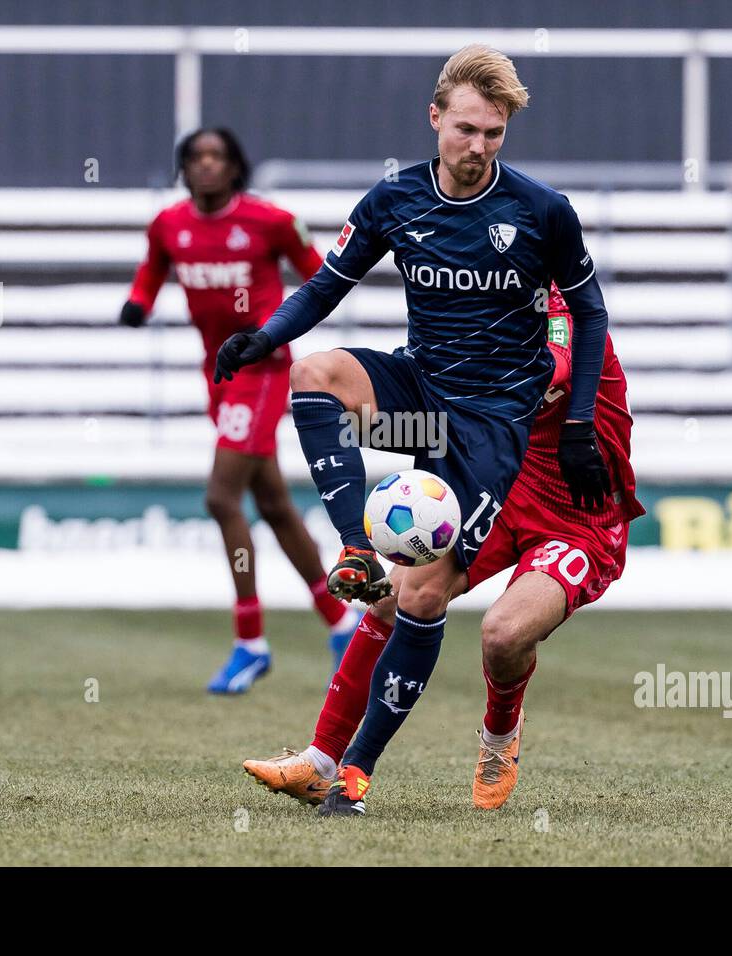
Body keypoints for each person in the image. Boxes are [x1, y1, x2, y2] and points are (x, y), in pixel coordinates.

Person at [216, 45, 614, 812]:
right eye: (467, 129)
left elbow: (589, 312)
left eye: (494, 133)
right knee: (314, 374)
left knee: (422, 596)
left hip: (490, 427)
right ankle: (356, 547)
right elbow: (327, 285)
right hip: (421, 396)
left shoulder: (541, 210)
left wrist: (580, 423)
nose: (479, 147)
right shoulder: (397, 199)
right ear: (434, 118)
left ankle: (352, 774)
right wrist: (266, 339)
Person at [243, 288, 645, 813]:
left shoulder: (559, 310)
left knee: (502, 636)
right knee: (398, 596)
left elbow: (553, 365)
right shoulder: (469, 294)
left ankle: (501, 735)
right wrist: (359, 416)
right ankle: (324, 763)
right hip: (496, 488)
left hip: (576, 518)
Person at [120, 127, 359, 695]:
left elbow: (321, 275)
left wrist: (283, 320)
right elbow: (155, 265)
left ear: (234, 167)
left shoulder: (270, 221)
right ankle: (342, 621)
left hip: (263, 368)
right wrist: (138, 301)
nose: (205, 165)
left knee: (220, 497)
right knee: (274, 505)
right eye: (195, 158)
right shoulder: (169, 225)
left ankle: (250, 641)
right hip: (219, 375)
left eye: (216, 156)